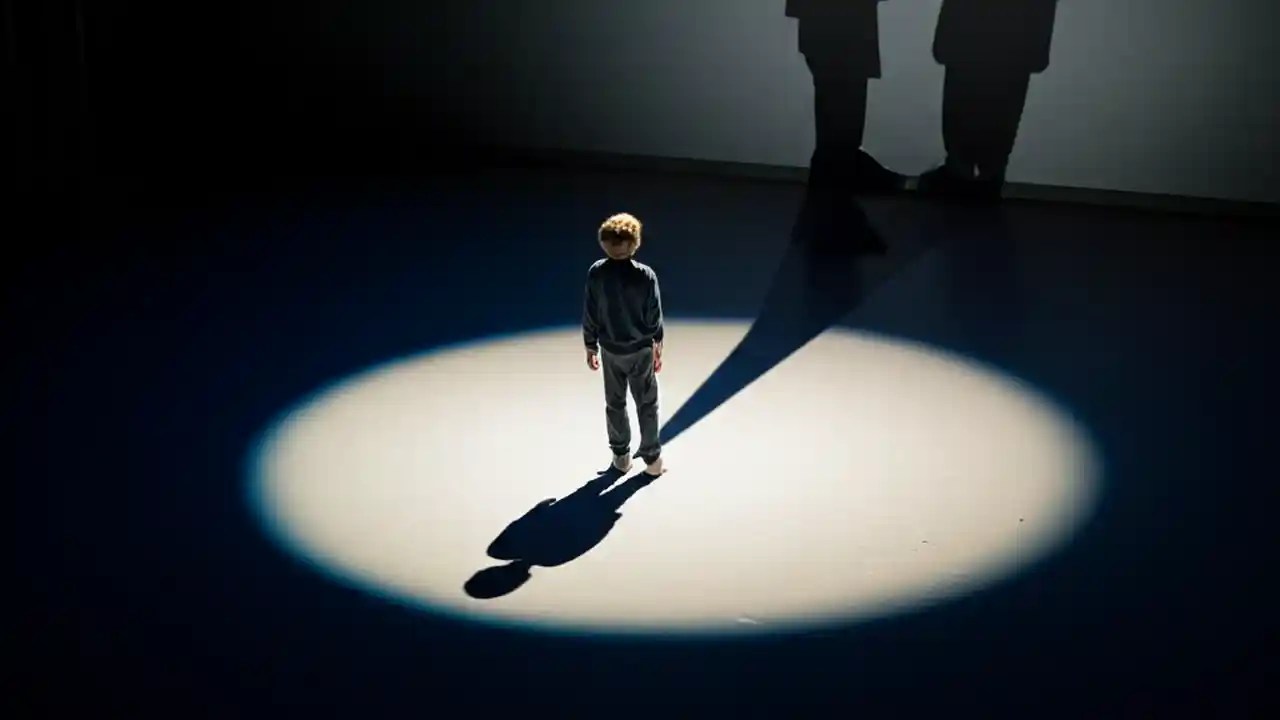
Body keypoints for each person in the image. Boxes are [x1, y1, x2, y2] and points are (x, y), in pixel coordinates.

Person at [918, 0, 1059, 200]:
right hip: (1017, 37)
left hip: (974, 35)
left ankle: (965, 170)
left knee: (965, 98)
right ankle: (986, 173)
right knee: (1004, 100)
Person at [786, 0, 907, 193]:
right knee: (844, 102)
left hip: (829, 24)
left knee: (837, 103)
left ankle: (837, 170)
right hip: (843, 25)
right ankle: (840, 170)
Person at [583, 213, 666, 477]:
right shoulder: (646, 276)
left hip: (610, 351)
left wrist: (590, 345)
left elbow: (591, 313)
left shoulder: (596, 273)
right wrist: (657, 345)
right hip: (640, 351)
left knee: (615, 402)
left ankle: (621, 457)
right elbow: (654, 315)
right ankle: (652, 461)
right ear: (634, 243)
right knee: (647, 404)